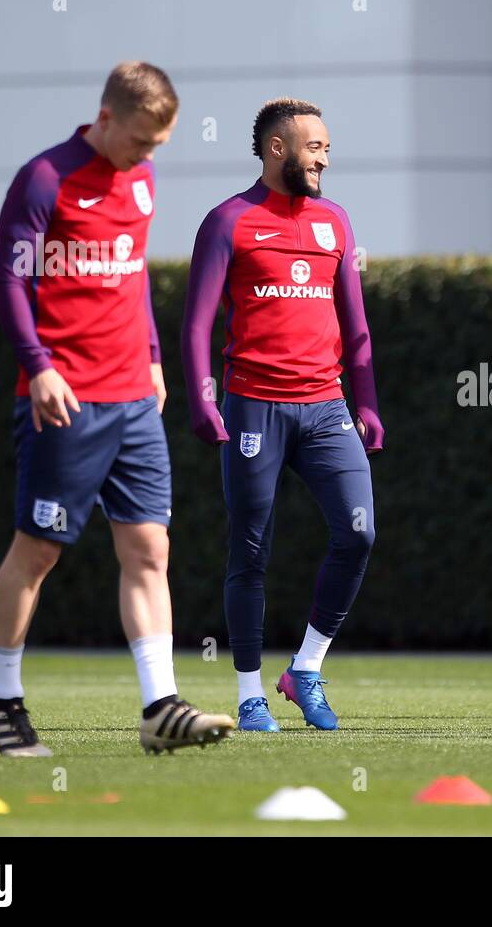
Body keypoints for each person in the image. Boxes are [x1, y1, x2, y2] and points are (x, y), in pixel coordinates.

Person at [0, 61, 233, 756]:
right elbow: (10, 279)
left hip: (132, 398)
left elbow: (134, 277)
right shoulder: (44, 179)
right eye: (143, 141)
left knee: (150, 546)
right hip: (65, 398)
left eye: (160, 144)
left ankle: (161, 705)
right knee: (38, 551)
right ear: (106, 117)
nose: (149, 156)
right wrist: (38, 369)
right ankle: (2, 698)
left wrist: (153, 354)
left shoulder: (142, 180)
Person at [181, 98, 382, 732]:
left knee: (359, 533)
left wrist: (368, 402)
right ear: (277, 150)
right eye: (314, 146)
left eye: (327, 145)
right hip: (253, 408)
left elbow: (356, 325)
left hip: (326, 409)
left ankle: (306, 669)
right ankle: (249, 696)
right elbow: (196, 323)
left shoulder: (335, 222)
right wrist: (202, 398)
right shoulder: (228, 222)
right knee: (250, 552)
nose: (325, 156)